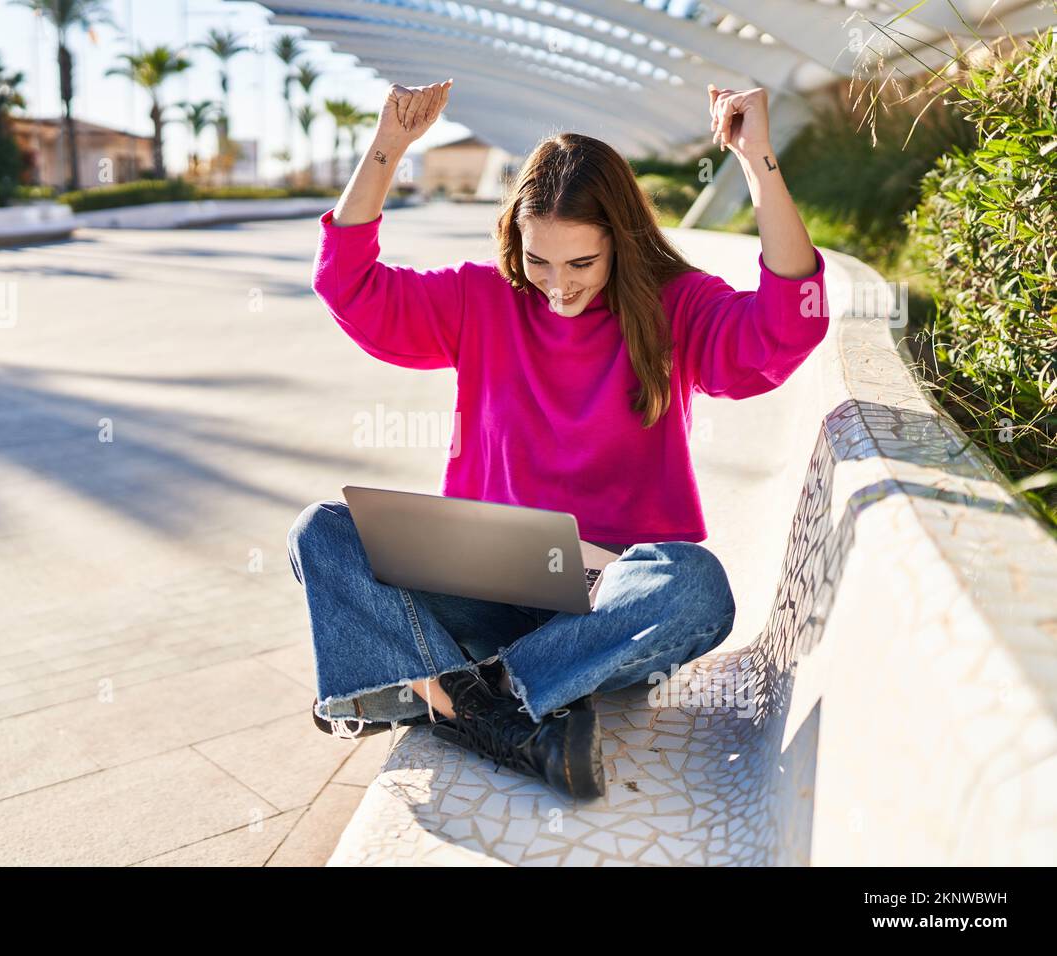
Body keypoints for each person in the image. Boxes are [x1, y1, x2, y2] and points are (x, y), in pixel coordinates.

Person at [287, 78, 829, 800]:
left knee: (694, 585)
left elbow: (790, 324)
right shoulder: (481, 299)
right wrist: (389, 146)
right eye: (539, 261)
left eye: (581, 264)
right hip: (484, 581)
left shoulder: (673, 307)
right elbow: (347, 284)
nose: (557, 287)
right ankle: (494, 711)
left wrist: (759, 159)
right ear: (517, 240)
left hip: (607, 602)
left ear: (622, 244)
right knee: (324, 532)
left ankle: (452, 694)